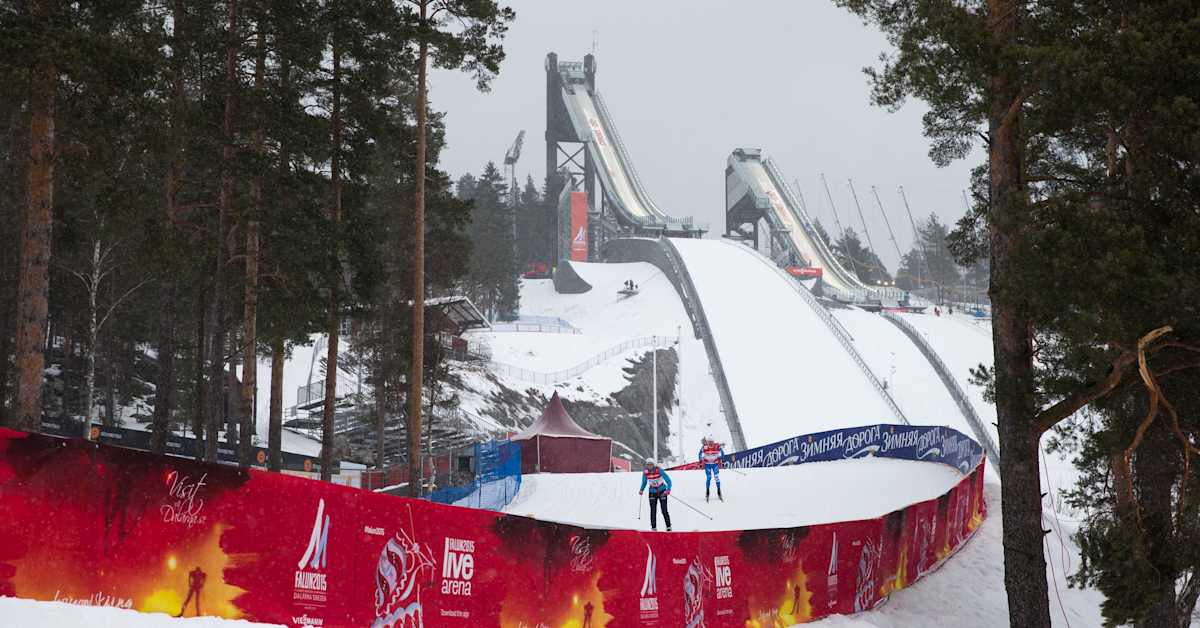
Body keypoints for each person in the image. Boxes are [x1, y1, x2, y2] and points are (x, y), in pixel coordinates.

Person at [639, 458, 672, 531]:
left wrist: (668, 489)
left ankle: (668, 526)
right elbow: (644, 482)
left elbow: (668, 480)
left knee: (664, 510)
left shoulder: (659, 470)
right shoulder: (645, 472)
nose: (649, 466)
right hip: (652, 492)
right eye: (648, 465)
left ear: (654, 465)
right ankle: (653, 528)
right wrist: (641, 489)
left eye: (651, 464)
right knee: (653, 510)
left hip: (662, 491)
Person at [698, 436, 725, 501]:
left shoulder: (717, 446)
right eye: (709, 442)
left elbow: (722, 454)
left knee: (716, 477)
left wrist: (722, 461)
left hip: (714, 465)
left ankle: (719, 491)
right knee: (709, 478)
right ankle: (707, 491)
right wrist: (701, 463)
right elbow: (700, 455)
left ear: (714, 442)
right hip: (707, 465)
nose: (710, 444)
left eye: (712, 442)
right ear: (707, 442)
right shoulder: (704, 447)